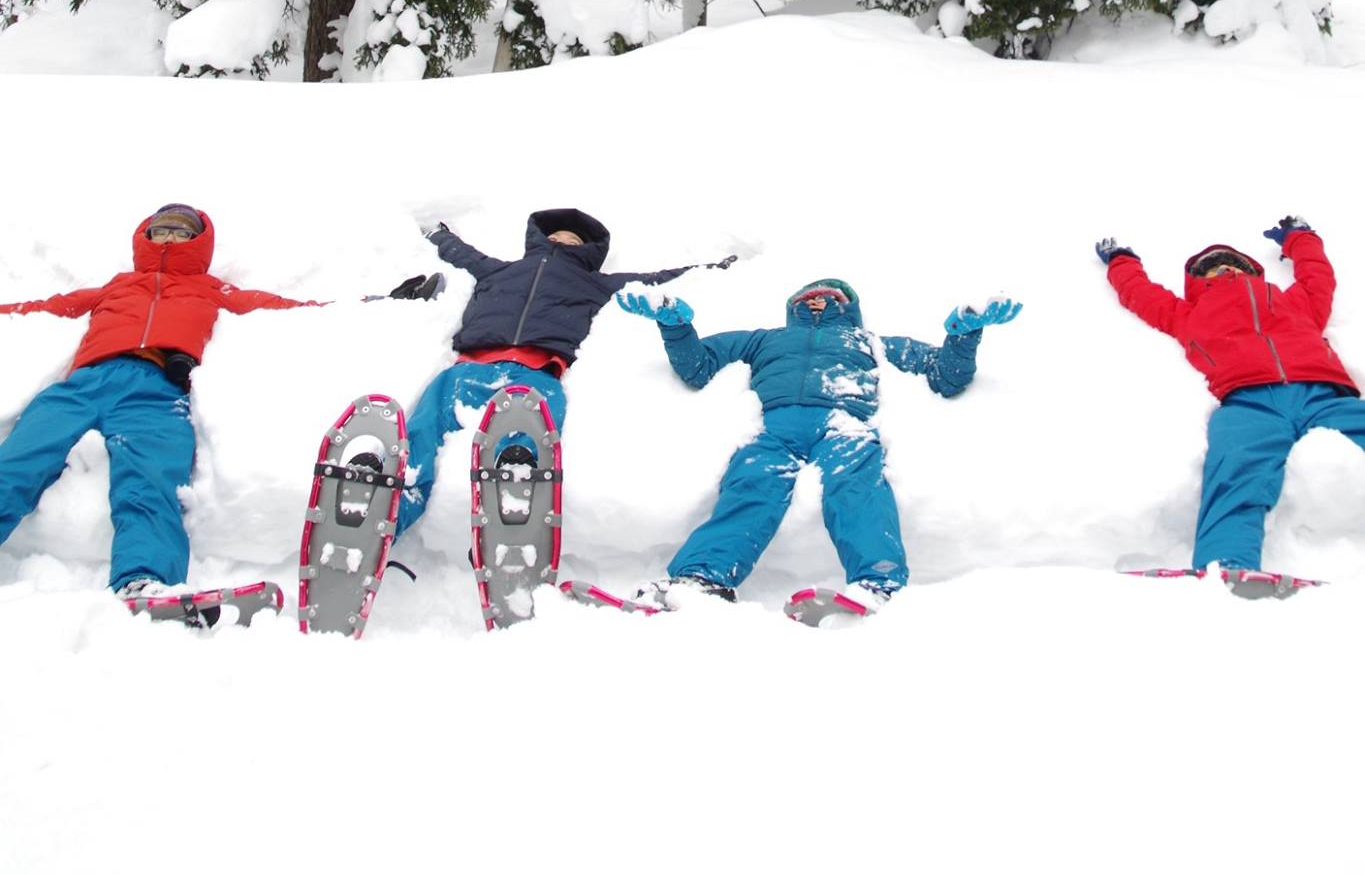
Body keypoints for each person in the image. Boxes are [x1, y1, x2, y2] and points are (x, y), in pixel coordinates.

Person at [617, 276, 1022, 605]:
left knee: (858, 491)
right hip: (776, 427)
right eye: (808, 296)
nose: (817, 301)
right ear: (792, 307)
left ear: (848, 307)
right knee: (750, 488)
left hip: (845, 424)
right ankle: (700, 581)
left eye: (831, 297)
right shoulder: (764, 338)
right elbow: (698, 366)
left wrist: (964, 335)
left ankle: (878, 585)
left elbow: (945, 376)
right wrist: (674, 325)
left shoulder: (870, 342)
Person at [0, 205, 324, 597]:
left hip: (156, 391)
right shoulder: (117, 286)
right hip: (85, 381)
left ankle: (142, 582)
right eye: (161, 230)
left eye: (182, 231)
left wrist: (379, 300)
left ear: (198, 242)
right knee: (18, 462)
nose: (169, 237)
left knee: (150, 481)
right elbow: (48, 307)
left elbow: (284, 309)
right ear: (146, 237)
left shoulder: (213, 290)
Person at [397, 206, 733, 537]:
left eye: (572, 240)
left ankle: (517, 489)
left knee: (533, 427)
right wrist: (438, 234)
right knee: (425, 426)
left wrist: (713, 267)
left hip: (537, 372)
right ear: (539, 240)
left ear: (588, 251)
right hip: (471, 367)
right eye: (556, 235)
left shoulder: (596, 283)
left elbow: (655, 280)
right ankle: (397, 498)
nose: (562, 241)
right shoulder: (501, 271)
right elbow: (463, 254)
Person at [1096, 217, 1365, 575]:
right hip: (1250, 401)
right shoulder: (1186, 313)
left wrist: (1300, 238)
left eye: (1233, 263)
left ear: (1251, 271)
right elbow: (1141, 295)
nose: (1224, 269)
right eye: (1210, 269)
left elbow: (1317, 276)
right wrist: (1121, 261)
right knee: (1236, 469)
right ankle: (1228, 565)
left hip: (1323, 391)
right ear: (1196, 283)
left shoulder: (1293, 302)